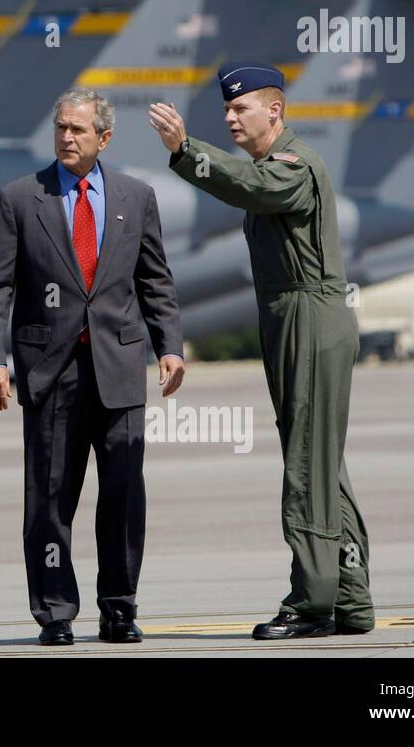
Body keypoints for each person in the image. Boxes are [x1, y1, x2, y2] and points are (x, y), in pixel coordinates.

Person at [149, 62, 375, 639]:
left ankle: (311, 603)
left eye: (239, 108)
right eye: (226, 109)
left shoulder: (291, 167)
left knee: (305, 463)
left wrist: (186, 151)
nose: (229, 117)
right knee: (321, 459)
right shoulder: (272, 165)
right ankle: (349, 597)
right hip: (291, 319)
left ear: (274, 111)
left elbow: (253, 187)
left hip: (309, 316)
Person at [0, 87, 184, 645]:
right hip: (50, 370)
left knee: (122, 494)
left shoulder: (136, 197)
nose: (67, 137)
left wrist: (170, 346)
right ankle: (55, 611)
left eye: (79, 130)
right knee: (48, 497)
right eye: (61, 128)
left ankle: (119, 607)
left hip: (118, 366)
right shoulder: (20, 198)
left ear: (104, 138)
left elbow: (154, 280)